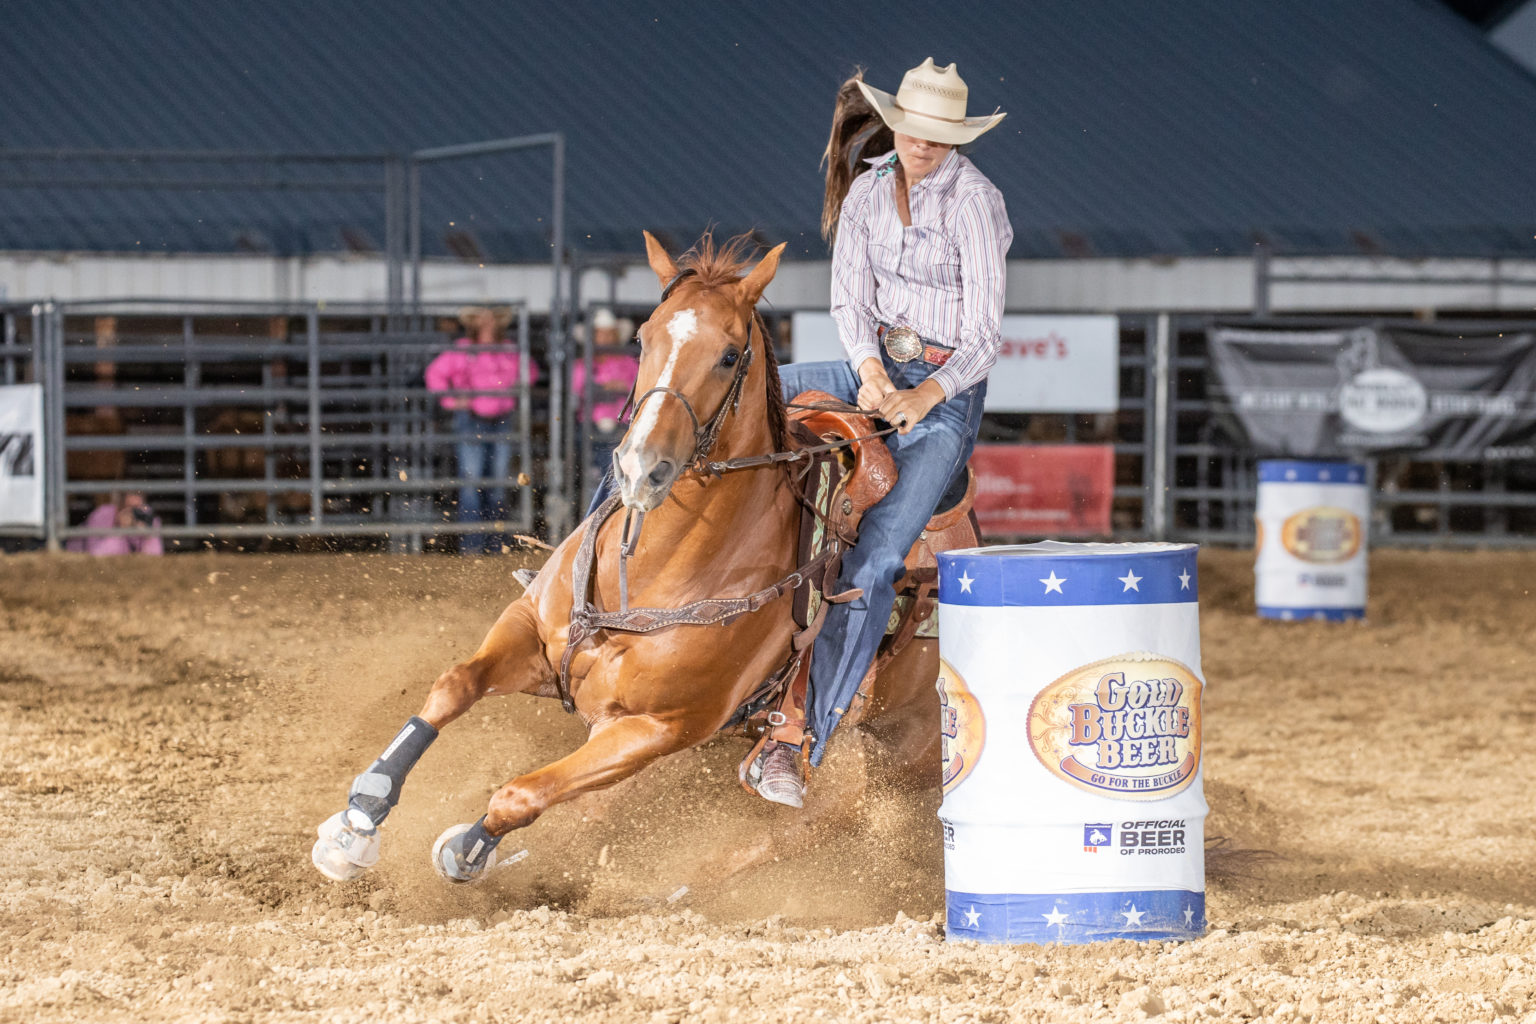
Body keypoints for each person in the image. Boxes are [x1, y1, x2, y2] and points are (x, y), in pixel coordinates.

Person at [753, 58, 1012, 806]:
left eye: (937, 137)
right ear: (896, 122)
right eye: (913, 131)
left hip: (943, 392)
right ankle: (590, 580)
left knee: (877, 561)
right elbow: (848, 300)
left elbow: (983, 338)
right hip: (872, 370)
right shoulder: (868, 189)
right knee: (726, 399)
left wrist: (924, 395)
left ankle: (797, 742)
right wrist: (868, 375)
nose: (922, 145)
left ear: (956, 139)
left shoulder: (976, 204)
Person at [425, 305, 537, 555]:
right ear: (474, 324)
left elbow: (529, 372)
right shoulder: (463, 349)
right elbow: (435, 375)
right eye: (482, 319)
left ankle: (495, 545)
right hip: (471, 419)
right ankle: (473, 545)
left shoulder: (508, 350)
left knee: (497, 482)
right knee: (472, 482)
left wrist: (514, 388)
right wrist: (454, 401)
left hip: (501, 419)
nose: (487, 323)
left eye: (492, 319)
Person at [571, 308, 639, 509]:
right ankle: (602, 511)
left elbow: (639, 387)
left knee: (612, 469)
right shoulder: (583, 364)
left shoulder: (628, 363)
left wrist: (619, 388)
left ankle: (606, 510)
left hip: (622, 426)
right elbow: (577, 388)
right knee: (603, 469)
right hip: (591, 425)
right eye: (601, 332)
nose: (605, 337)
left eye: (609, 332)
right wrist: (607, 387)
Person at [66, 491, 164, 555]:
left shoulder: (146, 516)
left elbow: (155, 555)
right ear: (119, 505)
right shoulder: (103, 514)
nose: (133, 513)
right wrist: (119, 530)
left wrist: (147, 535)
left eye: (136, 508)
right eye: (128, 507)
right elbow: (95, 555)